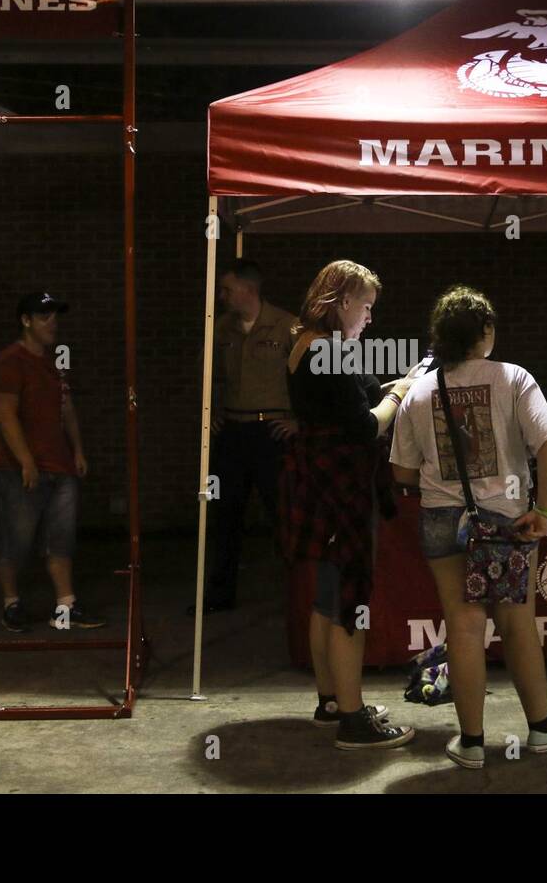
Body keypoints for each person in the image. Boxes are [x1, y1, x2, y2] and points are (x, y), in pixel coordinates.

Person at [391, 285, 547, 769]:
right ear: (485, 332)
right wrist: (546, 510)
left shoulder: (420, 391)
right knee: (517, 623)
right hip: (507, 520)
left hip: (441, 518)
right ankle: (541, 729)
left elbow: (402, 473)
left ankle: (470, 743)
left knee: (464, 626)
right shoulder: (513, 378)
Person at [283, 259, 416, 750]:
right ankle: (354, 720)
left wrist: (387, 388)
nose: (369, 317)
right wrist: (401, 393)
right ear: (341, 303)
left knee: (325, 599)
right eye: (365, 306)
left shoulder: (309, 345)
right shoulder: (329, 352)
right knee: (348, 604)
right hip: (341, 489)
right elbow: (363, 426)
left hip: (319, 486)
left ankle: (332, 700)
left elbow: (346, 407)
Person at [0, 292, 106, 633]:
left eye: (55, 317)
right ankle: (11, 603)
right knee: (17, 538)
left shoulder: (55, 362)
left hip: (60, 465)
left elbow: (65, 408)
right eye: (44, 317)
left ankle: (66, 604)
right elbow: (5, 414)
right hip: (20, 469)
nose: (52, 324)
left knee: (61, 537)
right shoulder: (10, 360)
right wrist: (26, 461)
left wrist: (78, 449)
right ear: (26, 320)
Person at [197, 260, 298, 615]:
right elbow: (210, 376)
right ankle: (220, 593)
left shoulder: (287, 326)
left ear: (248, 290)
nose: (222, 296)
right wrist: (213, 412)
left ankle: (299, 593)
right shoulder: (221, 329)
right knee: (226, 514)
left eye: (227, 289)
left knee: (283, 514)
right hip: (234, 434)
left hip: (270, 432)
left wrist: (297, 421)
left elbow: (309, 379)